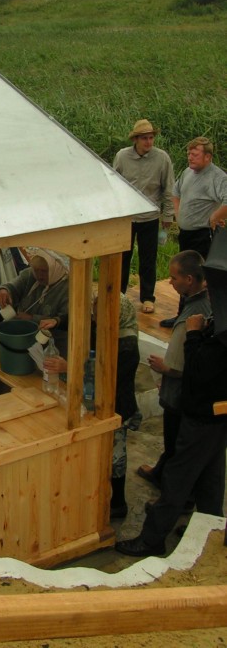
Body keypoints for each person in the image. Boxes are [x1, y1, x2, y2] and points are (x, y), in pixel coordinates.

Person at [116, 231, 227, 558]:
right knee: (210, 475)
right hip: (217, 413)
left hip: (203, 412)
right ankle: (207, 530)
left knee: (177, 477)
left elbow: (199, 369)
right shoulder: (218, 317)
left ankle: (150, 540)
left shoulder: (220, 334)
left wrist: (194, 335)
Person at [43, 293, 140, 518]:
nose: (94, 315)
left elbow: (107, 374)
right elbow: (80, 318)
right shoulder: (104, 323)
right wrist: (57, 321)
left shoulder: (126, 344)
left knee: (114, 457)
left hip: (116, 406)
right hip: (95, 399)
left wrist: (70, 367)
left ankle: (117, 503)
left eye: (98, 310)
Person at [137, 251, 211, 488]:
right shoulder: (206, 302)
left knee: (176, 442)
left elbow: (186, 365)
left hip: (182, 394)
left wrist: (164, 368)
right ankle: (162, 472)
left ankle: (174, 491)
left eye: (174, 278)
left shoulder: (196, 314)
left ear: (189, 279)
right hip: (184, 389)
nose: (169, 282)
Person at [160, 137, 227, 328]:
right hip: (186, 234)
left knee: (200, 279)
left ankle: (206, 320)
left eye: (194, 154)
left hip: (203, 235)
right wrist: (179, 213)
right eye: (188, 153)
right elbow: (176, 192)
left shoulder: (217, 177)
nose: (190, 157)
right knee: (182, 276)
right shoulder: (188, 172)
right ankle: (182, 315)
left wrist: (215, 216)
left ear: (207, 157)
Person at [113, 119, 174, 314]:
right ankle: (118, 295)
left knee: (148, 258)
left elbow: (168, 189)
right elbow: (114, 184)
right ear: (136, 140)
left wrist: (168, 215)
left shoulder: (162, 158)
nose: (149, 142)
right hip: (127, 217)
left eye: (151, 138)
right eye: (145, 138)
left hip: (150, 216)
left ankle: (148, 297)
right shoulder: (123, 156)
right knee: (123, 257)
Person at [0, 249, 69, 354]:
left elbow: (65, 320)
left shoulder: (67, 288)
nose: (39, 275)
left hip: (53, 349)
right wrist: (4, 291)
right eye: (36, 270)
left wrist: (31, 318)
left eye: (44, 271)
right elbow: (14, 285)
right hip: (23, 342)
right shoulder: (30, 275)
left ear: (54, 269)